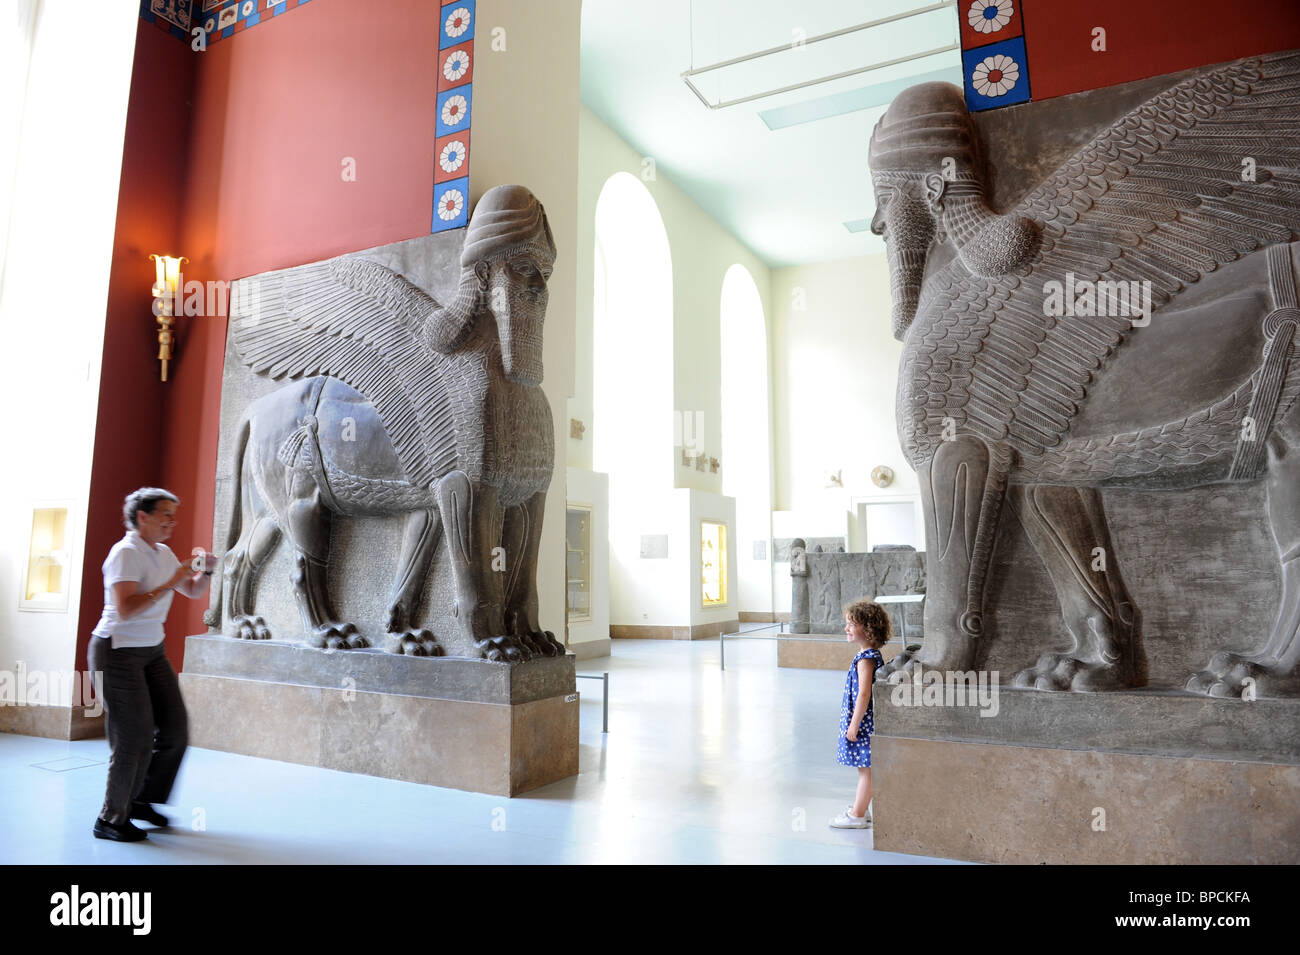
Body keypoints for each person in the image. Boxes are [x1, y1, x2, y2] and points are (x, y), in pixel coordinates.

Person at [88, 488, 215, 842]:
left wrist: (206, 572)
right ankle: (111, 819)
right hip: (116, 650)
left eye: (174, 515)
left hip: (152, 650)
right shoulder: (125, 553)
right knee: (135, 738)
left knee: (175, 731)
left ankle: (140, 799)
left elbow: (190, 591)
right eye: (165, 515)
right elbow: (126, 608)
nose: (172, 522)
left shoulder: (162, 552)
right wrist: (174, 579)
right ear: (142, 517)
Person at [829, 599, 891, 829]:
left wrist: (854, 725)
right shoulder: (869, 655)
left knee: (866, 770)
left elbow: (864, 694)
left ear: (867, 628)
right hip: (865, 720)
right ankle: (861, 808)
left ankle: (857, 815)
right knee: (866, 769)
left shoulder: (866, 659)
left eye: (851, 624)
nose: (846, 628)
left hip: (864, 722)